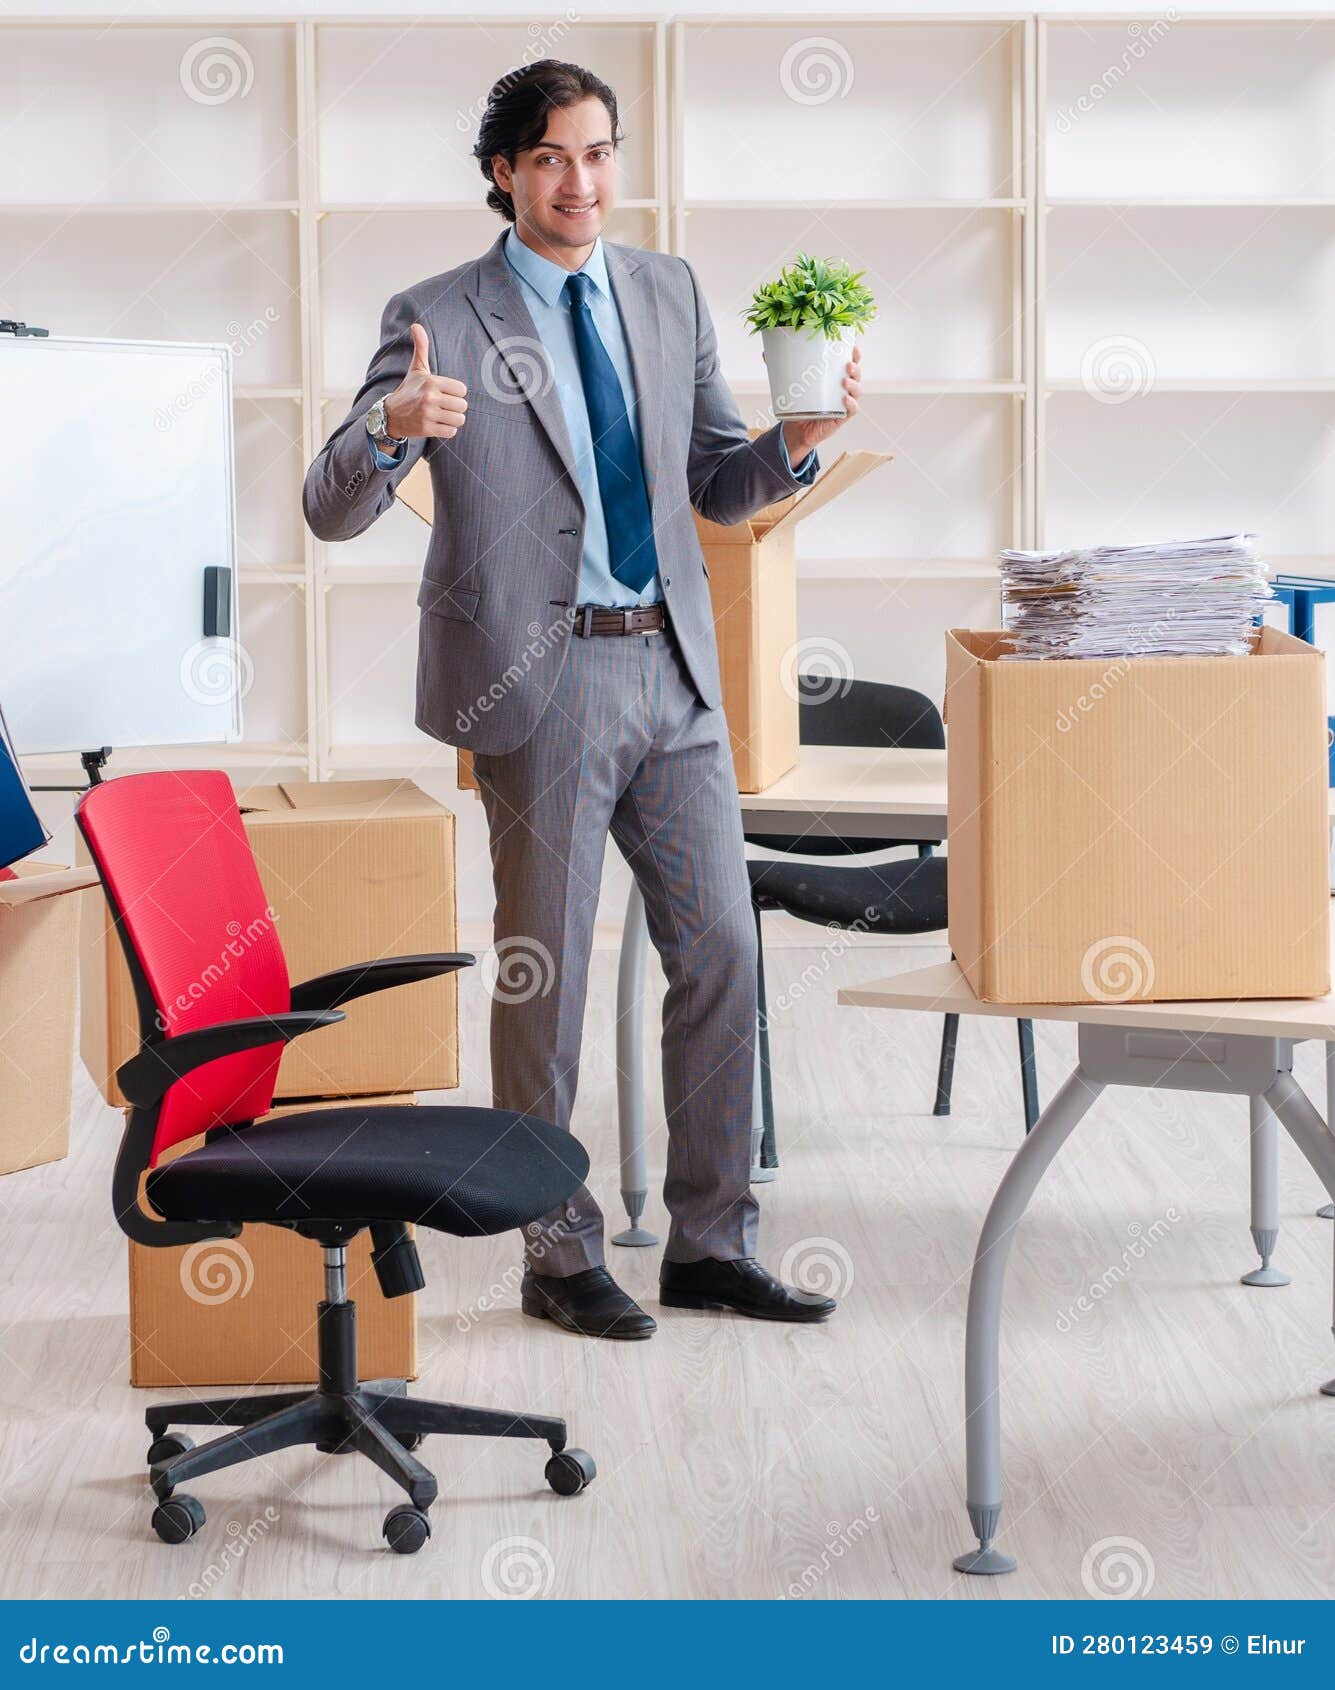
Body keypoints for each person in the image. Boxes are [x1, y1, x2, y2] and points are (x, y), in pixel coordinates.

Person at [303, 59, 861, 1340]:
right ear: (504, 172)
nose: (581, 182)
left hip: (674, 666)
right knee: (544, 974)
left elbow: (718, 486)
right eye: (552, 157)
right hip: (539, 681)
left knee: (721, 948)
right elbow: (328, 508)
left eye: (599, 153)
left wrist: (796, 442)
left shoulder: (666, 293)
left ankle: (712, 1242)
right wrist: (394, 424)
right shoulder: (441, 310)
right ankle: (558, 1255)